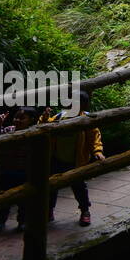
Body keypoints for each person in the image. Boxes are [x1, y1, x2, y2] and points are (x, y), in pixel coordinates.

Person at [42, 93, 103, 227]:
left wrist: (97, 151)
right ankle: (49, 210)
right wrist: (45, 117)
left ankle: (85, 211)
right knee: (52, 186)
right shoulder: (59, 117)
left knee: (79, 187)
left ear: (83, 105)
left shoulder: (87, 119)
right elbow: (44, 126)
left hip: (77, 161)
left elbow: (95, 137)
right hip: (57, 159)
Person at [0, 107, 37, 233]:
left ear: (31, 120)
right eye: (16, 117)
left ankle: (22, 221)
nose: (17, 120)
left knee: (23, 201)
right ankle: (0, 220)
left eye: (22, 118)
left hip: (24, 172)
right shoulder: (9, 130)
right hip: (8, 171)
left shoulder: (33, 133)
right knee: (4, 198)